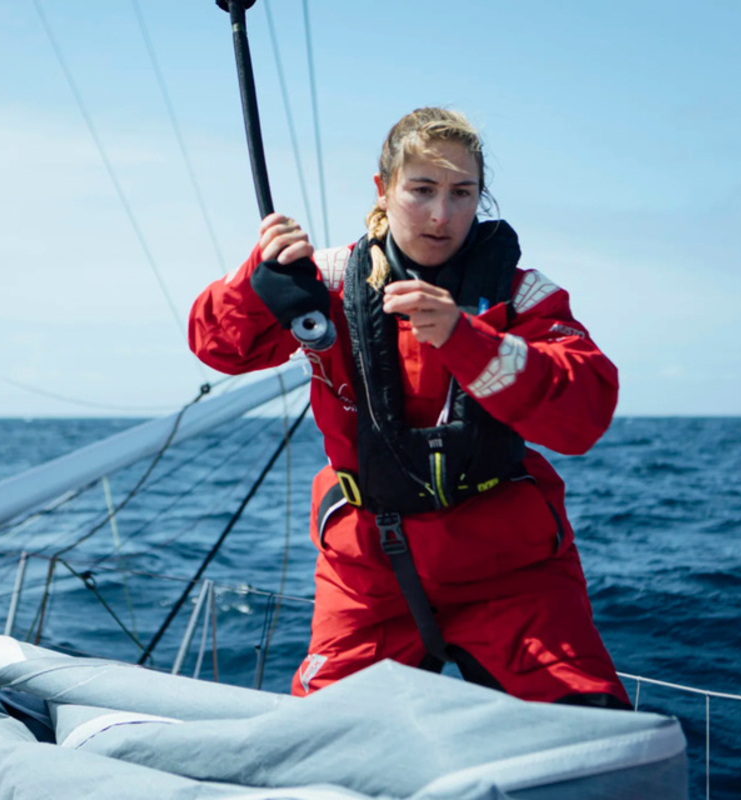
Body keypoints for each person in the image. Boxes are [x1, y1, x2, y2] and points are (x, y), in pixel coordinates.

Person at [189, 108, 630, 708]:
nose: (441, 214)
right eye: (421, 190)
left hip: (510, 572)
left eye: (461, 193)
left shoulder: (525, 295)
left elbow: (585, 413)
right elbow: (216, 346)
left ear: (480, 197)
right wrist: (255, 280)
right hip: (369, 574)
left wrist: (465, 339)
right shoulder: (328, 280)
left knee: (593, 737)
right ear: (384, 189)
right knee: (320, 746)